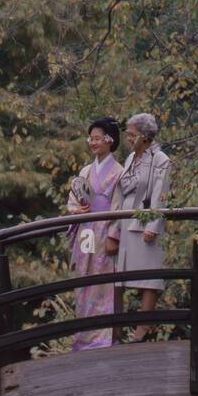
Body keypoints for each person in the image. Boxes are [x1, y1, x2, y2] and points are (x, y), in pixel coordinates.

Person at [107, 113, 172, 342]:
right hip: (125, 222)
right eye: (128, 134)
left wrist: (153, 225)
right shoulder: (129, 159)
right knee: (121, 277)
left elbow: (160, 194)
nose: (127, 138)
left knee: (149, 277)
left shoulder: (160, 159)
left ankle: (144, 327)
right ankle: (116, 328)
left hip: (145, 223)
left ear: (144, 137)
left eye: (132, 135)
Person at [65, 118, 125, 350]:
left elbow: (119, 206)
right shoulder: (86, 170)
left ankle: (104, 338)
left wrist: (114, 234)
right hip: (85, 231)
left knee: (104, 283)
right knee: (84, 282)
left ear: (110, 141)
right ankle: (84, 336)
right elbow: (73, 200)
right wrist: (77, 210)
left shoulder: (119, 172)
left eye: (98, 138)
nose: (93, 142)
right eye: (91, 138)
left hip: (104, 231)